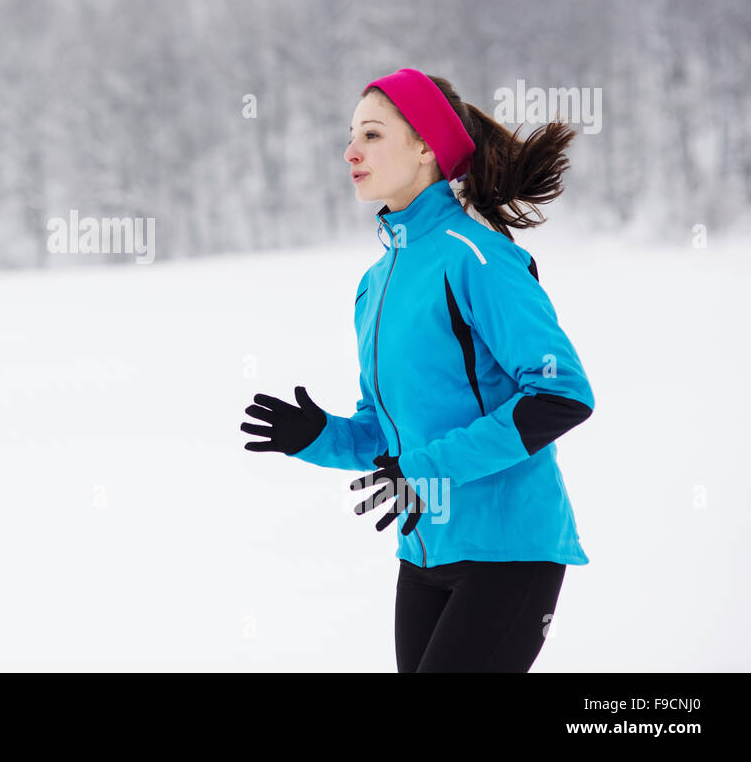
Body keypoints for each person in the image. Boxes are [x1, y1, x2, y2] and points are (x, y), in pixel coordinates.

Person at [240, 68, 595, 673]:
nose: (351, 151)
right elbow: (386, 432)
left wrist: (425, 470)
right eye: (351, 135)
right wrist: (321, 436)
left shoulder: (478, 259)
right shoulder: (375, 284)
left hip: (508, 548)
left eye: (373, 135)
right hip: (425, 554)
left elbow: (562, 396)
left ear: (427, 146)